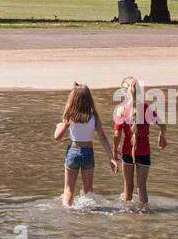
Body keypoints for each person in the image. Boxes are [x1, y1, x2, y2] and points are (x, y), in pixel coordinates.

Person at [53, 83, 118, 208]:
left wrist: (59, 126)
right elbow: (103, 138)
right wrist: (111, 158)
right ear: (89, 99)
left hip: (73, 151)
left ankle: (67, 212)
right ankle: (88, 214)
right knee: (88, 190)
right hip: (88, 153)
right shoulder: (93, 116)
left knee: (68, 189)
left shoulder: (70, 115)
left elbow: (57, 137)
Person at [113, 75, 167, 210]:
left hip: (127, 151)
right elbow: (162, 125)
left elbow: (117, 134)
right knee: (141, 186)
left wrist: (114, 150)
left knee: (128, 186)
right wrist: (162, 137)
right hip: (144, 151)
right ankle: (144, 214)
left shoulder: (121, 110)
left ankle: (127, 214)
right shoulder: (147, 109)